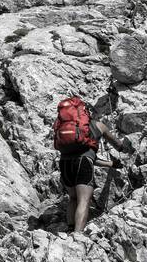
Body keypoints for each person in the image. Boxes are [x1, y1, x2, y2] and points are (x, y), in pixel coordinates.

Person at [53, 91, 131, 234]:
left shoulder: (65, 129)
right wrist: (124, 148)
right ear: (85, 113)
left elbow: (89, 158)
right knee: (84, 200)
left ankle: (70, 229)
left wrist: (110, 164)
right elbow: (116, 144)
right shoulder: (97, 126)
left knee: (73, 198)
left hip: (64, 163)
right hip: (83, 163)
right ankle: (77, 236)